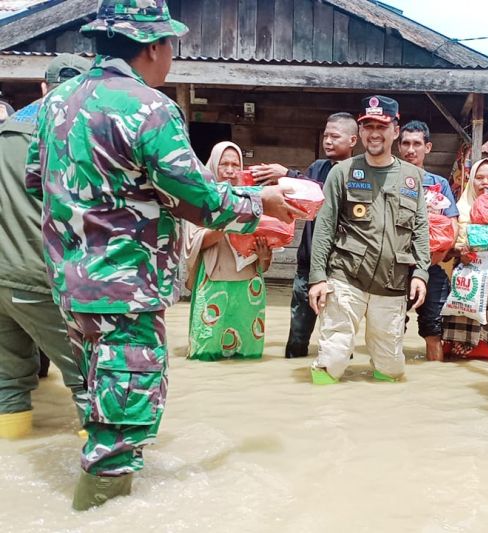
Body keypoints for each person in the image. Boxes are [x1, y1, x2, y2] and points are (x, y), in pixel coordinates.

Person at [26, 0, 303, 510]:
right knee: (123, 428)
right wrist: (260, 201)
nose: (172, 55)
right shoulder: (148, 108)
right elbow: (199, 197)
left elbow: (36, 180)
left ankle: (108, 505)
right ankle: (99, 514)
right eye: (171, 44)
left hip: (72, 288)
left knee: (98, 405)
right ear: (153, 46)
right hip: (125, 292)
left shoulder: (56, 103)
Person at [307, 95, 430, 384]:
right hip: (346, 277)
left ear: (395, 131)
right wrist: (317, 277)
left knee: (391, 368)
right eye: (368, 126)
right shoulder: (342, 173)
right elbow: (324, 227)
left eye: (382, 126)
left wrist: (421, 272)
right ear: (360, 132)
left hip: (392, 283)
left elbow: (421, 228)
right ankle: (322, 417)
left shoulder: (413, 177)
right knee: (333, 358)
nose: (374, 133)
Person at [0, 54, 91, 440]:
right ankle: (108, 491)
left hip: (1, 276)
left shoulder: (5, 133)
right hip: (41, 278)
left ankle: (14, 465)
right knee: (92, 382)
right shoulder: (74, 135)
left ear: (42, 88)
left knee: (8, 384)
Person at [273, 113, 359, 359]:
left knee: (338, 340)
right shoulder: (317, 168)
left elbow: (328, 198)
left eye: (335, 136)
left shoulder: (357, 173)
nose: (328, 141)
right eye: (325, 136)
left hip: (340, 269)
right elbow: (305, 198)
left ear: (352, 140)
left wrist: (290, 173)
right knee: (297, 335)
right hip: (308, 266)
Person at [184, 142, 273, 361]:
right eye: (225, 164)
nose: (231, 170)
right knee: (206, 349)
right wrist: (230, 220)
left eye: (235, 164)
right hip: (214, 281)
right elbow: (193, 242)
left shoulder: (252, 200)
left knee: (247, 354)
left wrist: (264, 255)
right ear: (214, 165)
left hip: (248, 287)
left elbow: (264, 260)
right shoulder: (200, 199)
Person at [441, 158, 488, 359]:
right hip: (469, 277)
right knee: (465, 336)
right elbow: (446, 251)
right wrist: (461, 252)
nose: (485, 182)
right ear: (471, 181)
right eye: (479, 178)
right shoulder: (460, 210)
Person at [399, 120, 459, 361]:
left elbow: (452, 224)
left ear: (428, 147)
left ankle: (434, 374)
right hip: (396, 267)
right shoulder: (388, 181)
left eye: (416, 143)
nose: (410, 149)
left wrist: (437, 258)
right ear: (398, 146)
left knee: (433, 330)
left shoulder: (438, 184)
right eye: (405, 143)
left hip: (431, 266)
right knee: (389, 329)